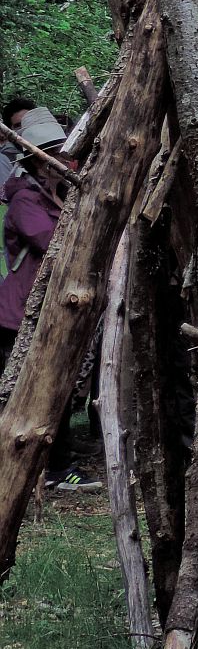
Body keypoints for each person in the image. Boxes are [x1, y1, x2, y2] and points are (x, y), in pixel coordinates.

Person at [0, 109, 93, 490]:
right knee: (19, 391)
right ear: (38, 160)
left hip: (48, 310)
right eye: (54, 152)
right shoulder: (25, 199)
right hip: (19, 314)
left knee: (59, 388)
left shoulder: (57, 194)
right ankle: (43, 469)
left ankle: (56, 466)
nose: (63, 160)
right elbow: (52, 242)